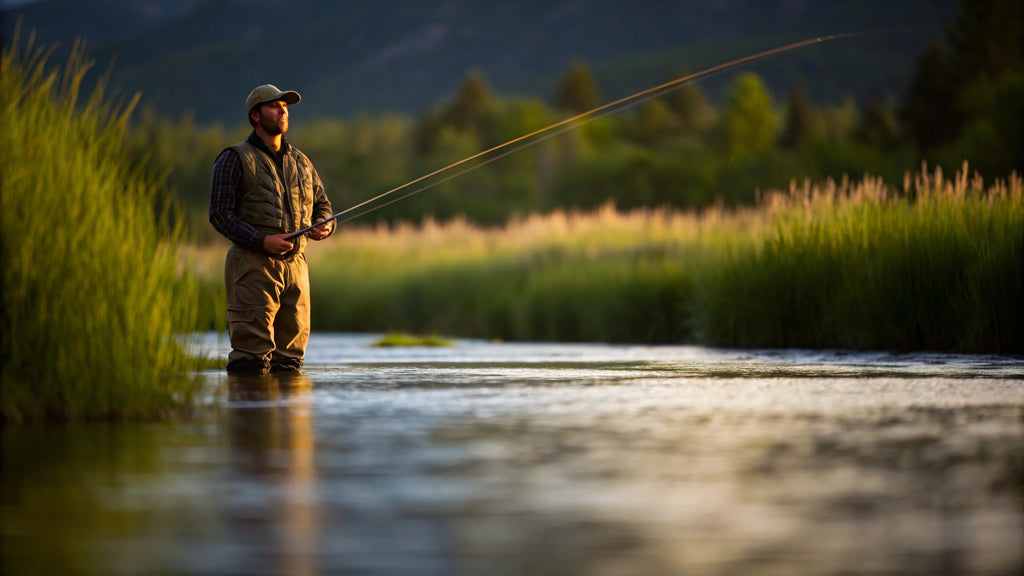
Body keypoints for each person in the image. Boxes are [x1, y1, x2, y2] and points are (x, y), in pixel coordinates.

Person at [210, 84, 335, 375]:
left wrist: (326, 225)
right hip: (253, 266)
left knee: (290, 363)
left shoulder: (301, 161)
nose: (282, 110)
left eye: (285, 106)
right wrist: (262, 240)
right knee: (250, 361)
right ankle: (252, 419)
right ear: (255, 116)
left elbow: (323, 205)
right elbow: (219, 214)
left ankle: (286, 420)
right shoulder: (233, 158)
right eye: (274, 106)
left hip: (297, 268)